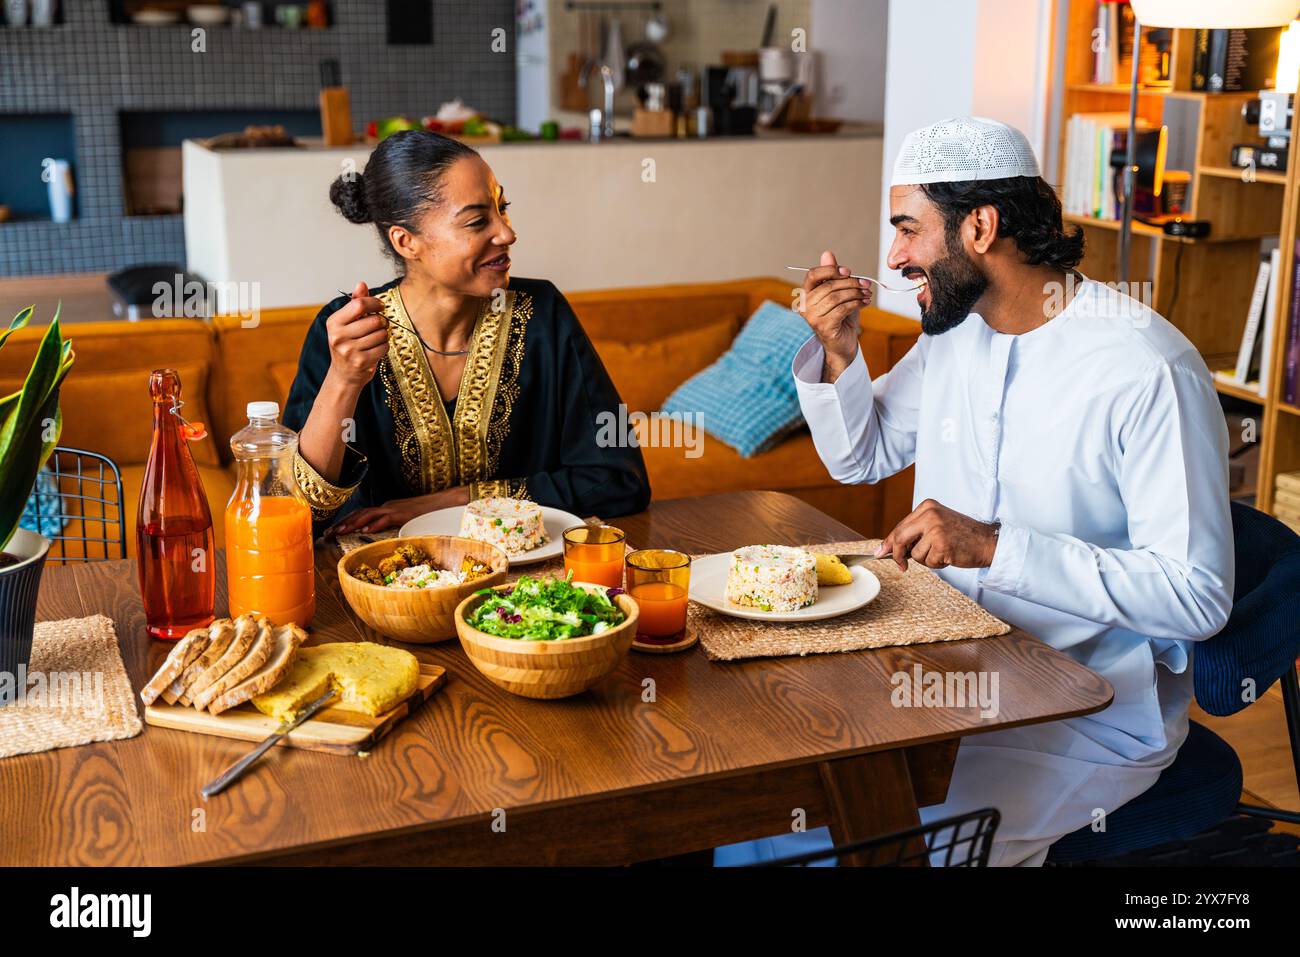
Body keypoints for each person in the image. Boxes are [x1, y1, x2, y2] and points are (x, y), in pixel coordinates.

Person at [721, 117, 1234, 867]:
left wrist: (992, 545)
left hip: (1082, 708)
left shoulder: (1146, 368)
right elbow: (862, 455)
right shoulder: (954, 336)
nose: (893, 257)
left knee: (890, 844)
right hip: (945, 670)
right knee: (767, 804)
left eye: (907, 230)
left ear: (982, 226)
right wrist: (839, 351)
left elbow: (1197, 596)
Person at [282, 130, 650, 534]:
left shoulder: (543, 313)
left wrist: (460, 500)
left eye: (502, 208)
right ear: (406, 242)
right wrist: (344, 378)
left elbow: (620, 480)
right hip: (386, 587)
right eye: (477, 221)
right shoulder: (346, 331)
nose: (507, 234)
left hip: (525, 584)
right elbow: (297, 513)